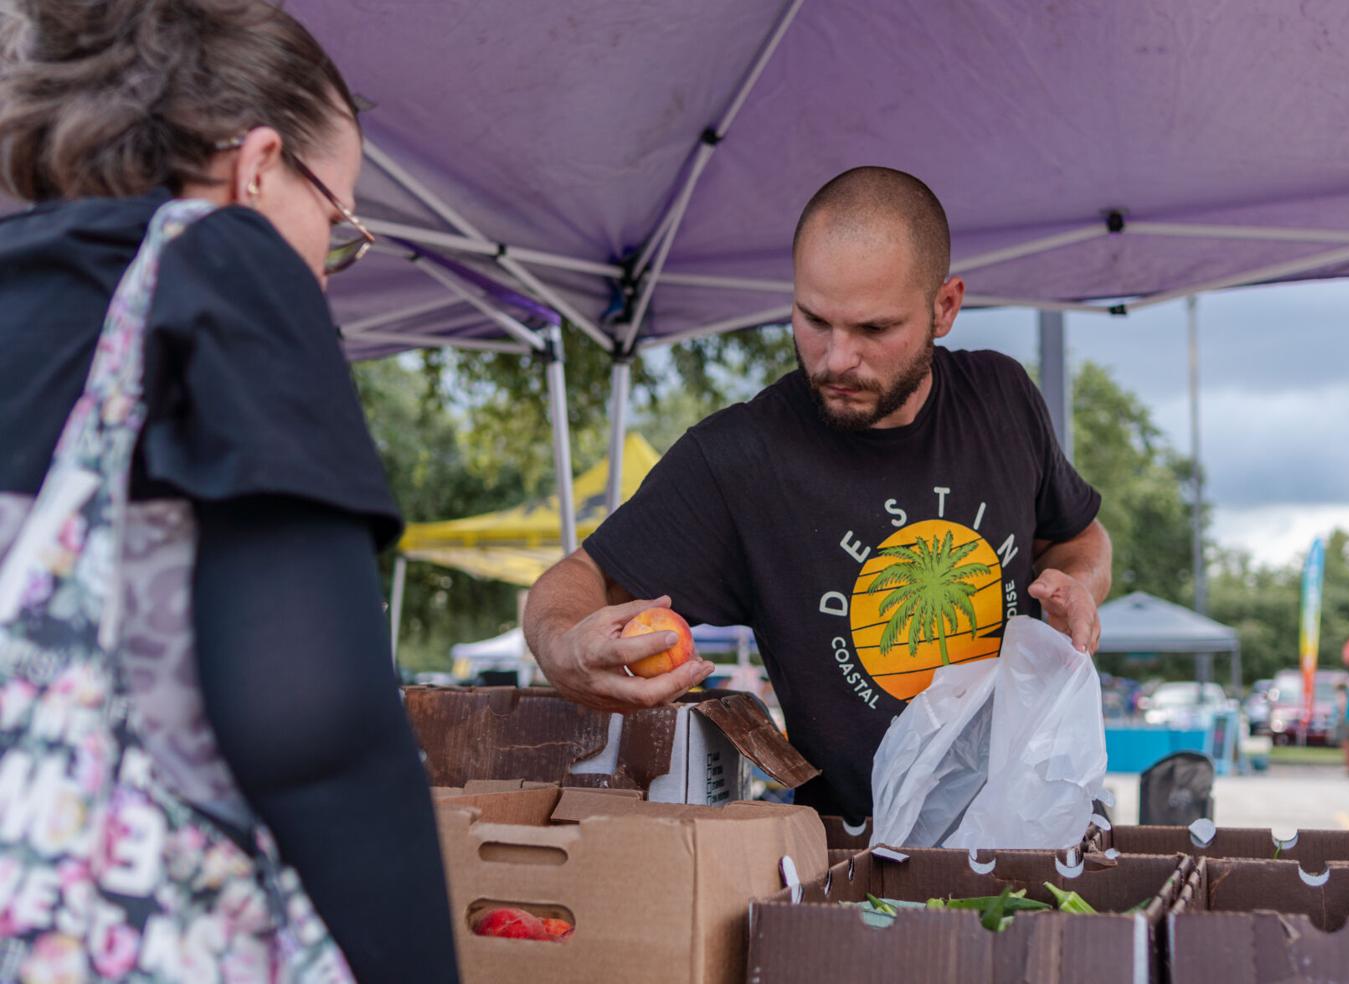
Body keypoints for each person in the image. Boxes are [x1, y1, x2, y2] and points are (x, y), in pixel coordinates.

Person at [0, 1, 457, 979]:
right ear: (257, 168)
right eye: (339, 226)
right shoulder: (226, 265)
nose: (326, 277)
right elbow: (315, 729)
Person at [526, 166, 1112, 822]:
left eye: (873, 330)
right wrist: (562, 648)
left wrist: (1080, 583)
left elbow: (1077, 534)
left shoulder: (1002, 397)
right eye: (813, 320)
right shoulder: (740, 457)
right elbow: (576, 580)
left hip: (1033, 822)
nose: (836, 359)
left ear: (944, 307)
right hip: (858, 864)